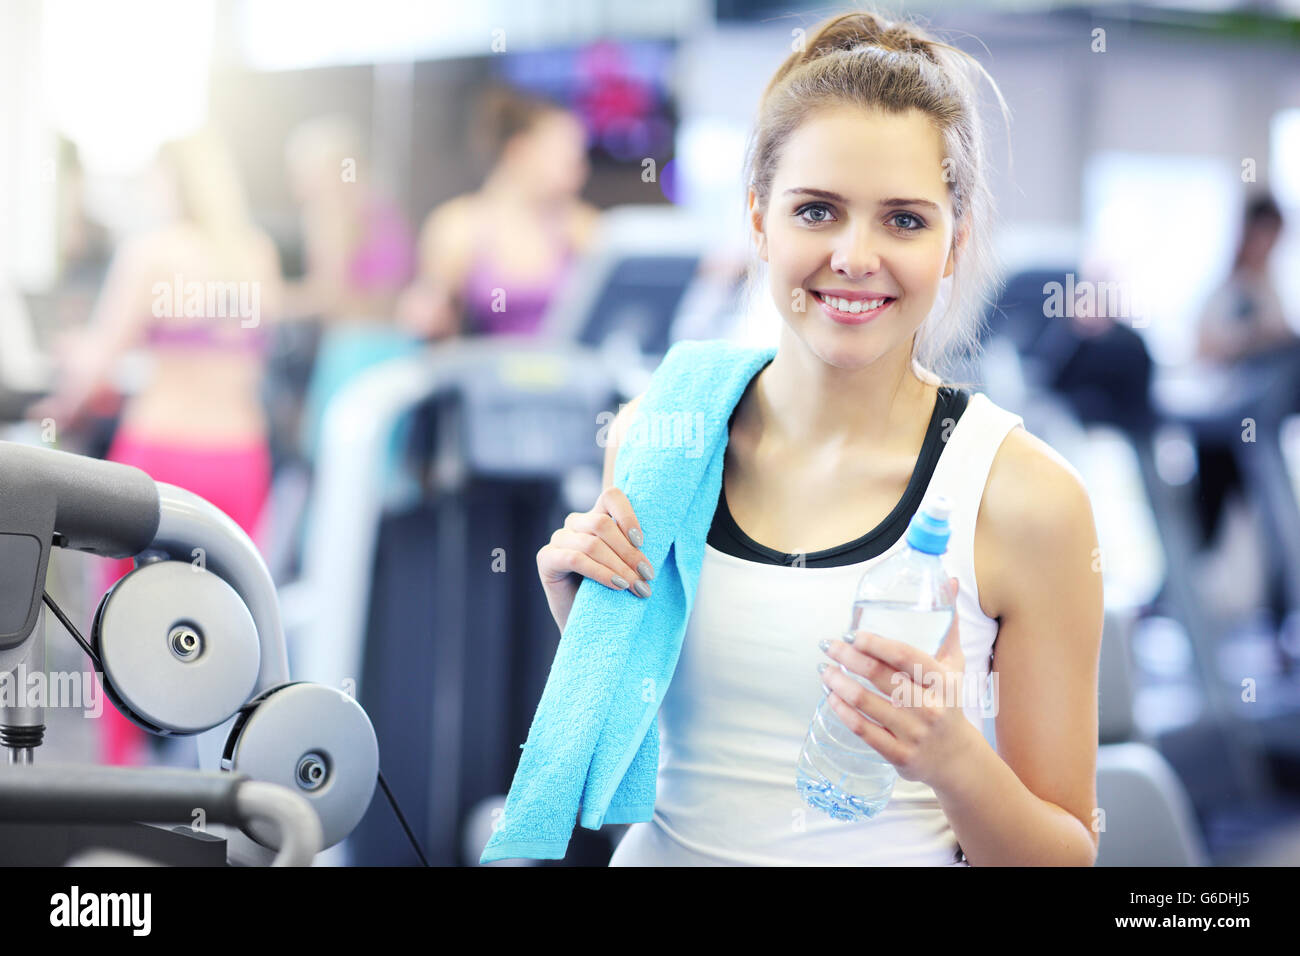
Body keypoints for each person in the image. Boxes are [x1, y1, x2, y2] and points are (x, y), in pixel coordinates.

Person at [534, 9, 1104, 866]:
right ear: (758, 218)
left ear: (954, 242)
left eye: (905, 220)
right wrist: (587, 624)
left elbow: (1066, 854)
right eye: (818, 210)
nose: (855, 256)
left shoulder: (1028, 498)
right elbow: (650, 761)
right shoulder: (666, 431)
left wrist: (950, 758)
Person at [29, 127, 284, 767]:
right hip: (239, 459)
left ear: (170, 181)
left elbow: (95, 369)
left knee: (117, 619)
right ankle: (228, 775)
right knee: (231, 618)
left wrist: (59, 394)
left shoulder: (153, 253)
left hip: (162, 459)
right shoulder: (255, 252)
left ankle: (121, 776)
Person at [398, 85, 600, 341]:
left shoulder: (583, 226)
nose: (581, 172)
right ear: (520, 151)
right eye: (568, 159)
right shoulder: (457, 227)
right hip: (485, 375)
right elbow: (430, 326)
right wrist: (423, 315)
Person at [1191, 193, 1298, 549]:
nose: (1268, 246)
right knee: (1212, 516)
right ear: (1248, 233)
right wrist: (1252, 338)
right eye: (1264, 236)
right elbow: (1204, 349)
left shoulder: (1270, 290)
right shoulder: (1227, 289)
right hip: (1222, 419)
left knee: (1257, 514)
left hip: (1257, 420)